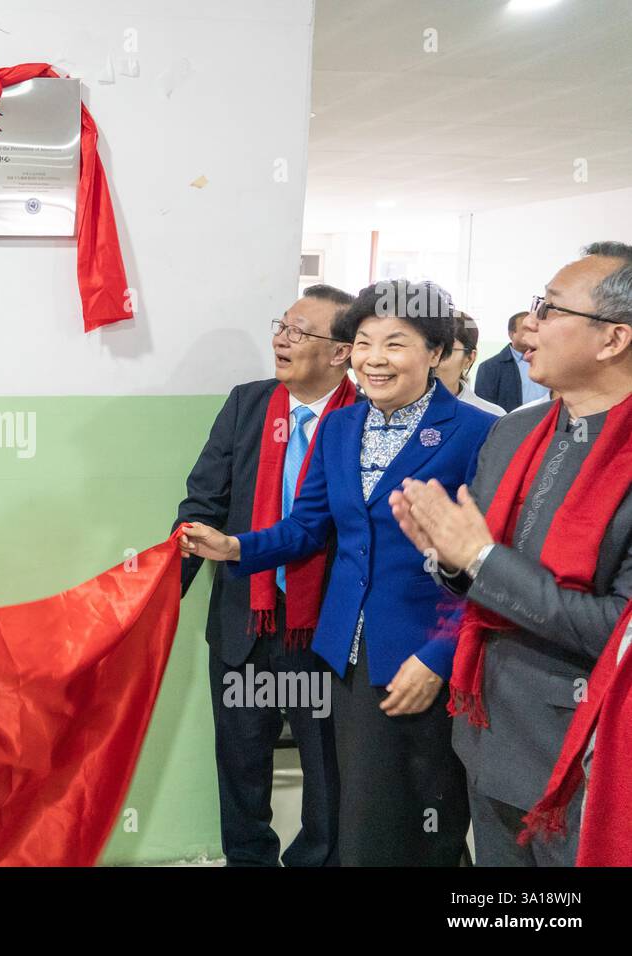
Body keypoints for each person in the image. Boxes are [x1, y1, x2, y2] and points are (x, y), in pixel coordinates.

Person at [181, 280, 495, 866]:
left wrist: (440, 656)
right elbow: (306, 528)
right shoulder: (341, 428)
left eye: (395, 344)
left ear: (435, 352)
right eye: (365, 342)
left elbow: (488, 568)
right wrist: (233, 548)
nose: (375, 359)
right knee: (356, 815)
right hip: (344, 654)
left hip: (422, 654)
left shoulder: (478, 434)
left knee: (428, 815)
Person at [391, 242, 632, 866]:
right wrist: (449, 557)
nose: (529, 327)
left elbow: (620, 630)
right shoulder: (517, 430)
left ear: (613, 340)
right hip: (488, 727)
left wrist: (480, 559)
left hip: (588, 751)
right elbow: (477, 573)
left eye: (549, 310)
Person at [172, 285, 355, 867]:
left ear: (340, 353)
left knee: (327, 771)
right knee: (242, 767)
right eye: (281, 325)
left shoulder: (364, 420)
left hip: (323, 630)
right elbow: (202, 501)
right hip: (243, 625)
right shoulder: (247, 405)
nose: (281, 338)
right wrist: (160, 590)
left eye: (300, 332)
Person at [475, 310, 548, 412]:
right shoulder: (490, 368)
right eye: (526, 329)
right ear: (511, 334)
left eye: (536, 328)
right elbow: (484, 410)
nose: (533, 332)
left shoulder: (550, 362)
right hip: (511, 425)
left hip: (549, 423)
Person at [436, 312, 505, 417]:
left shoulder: (492, 417)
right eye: (428, 348)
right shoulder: (404, 408)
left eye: (446, 351)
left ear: (469, 358)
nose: (432, 359)